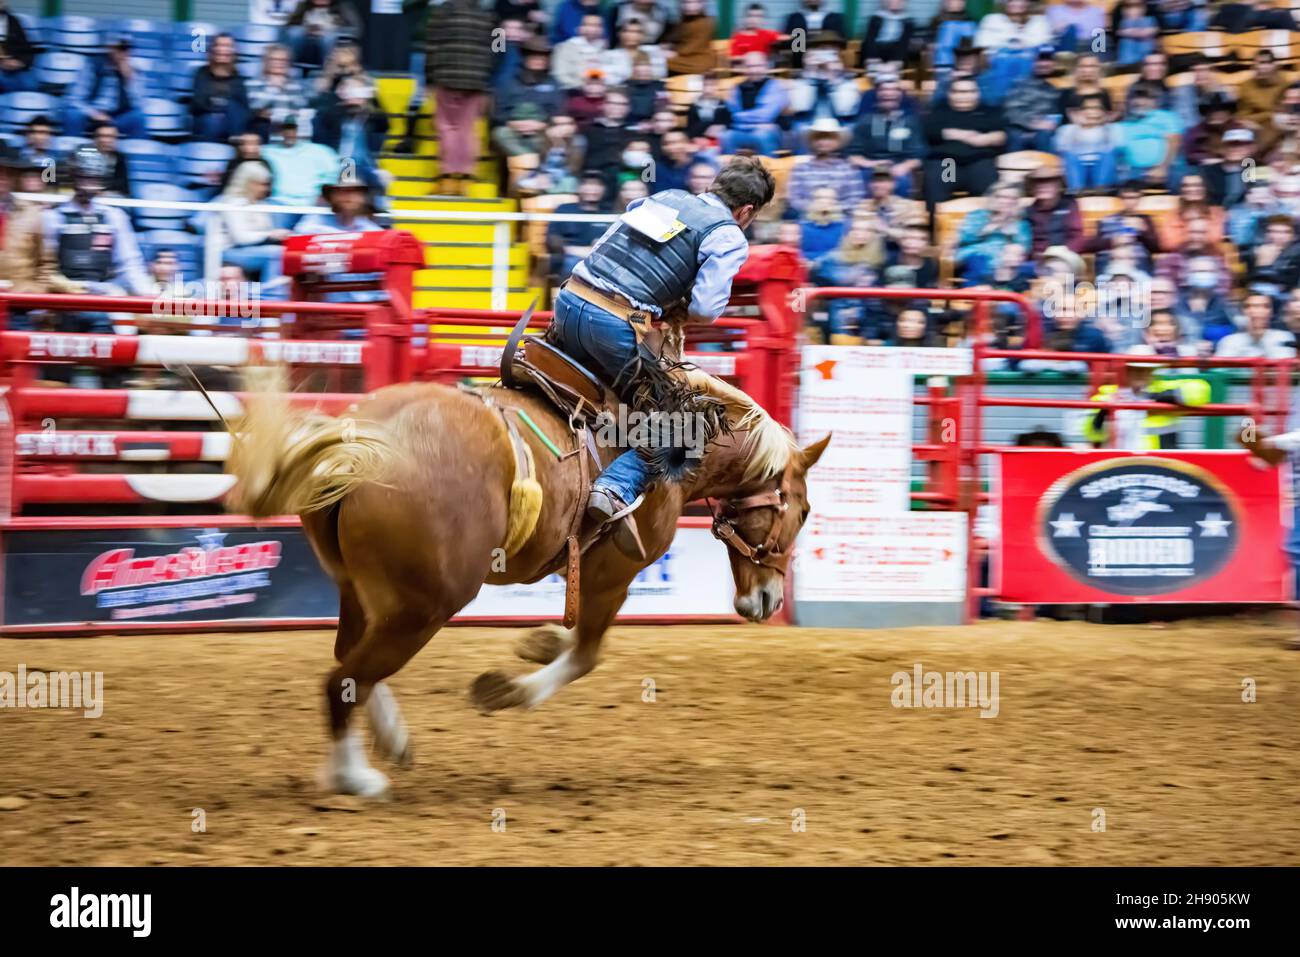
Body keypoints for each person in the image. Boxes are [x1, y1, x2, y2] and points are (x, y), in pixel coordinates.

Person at [551, 157, 776, 556]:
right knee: (691, 426)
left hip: (568, 302)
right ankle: (615, 488)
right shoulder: (727, 235)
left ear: (714, 185)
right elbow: (706, 309)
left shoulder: (664, 197)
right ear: (746, 212)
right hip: (614, 327)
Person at [40, 147, 153, 337]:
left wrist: (148, 295)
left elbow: (130, 263)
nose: (89, 184)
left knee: (124, 331)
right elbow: (45, 267)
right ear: (74, 177)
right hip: (64, 296)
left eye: (93, 178)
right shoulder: (54, 217)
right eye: (84, 177)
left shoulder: (114, 217)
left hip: (104, 294)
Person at [425, 0, 494, 196]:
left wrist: (429, 77)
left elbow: (431, 46)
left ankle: (447, 178)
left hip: (446, 77)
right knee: (467, 129)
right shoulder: (489, 16)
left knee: (447, 128)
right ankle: (465, 179)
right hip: (477, 81)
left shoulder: (441, 12)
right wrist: (488, 73)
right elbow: (499, 47)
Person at [1082, 359, 1210, 450]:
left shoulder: (1163, 388)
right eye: (1135, 369)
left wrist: (1155, 397)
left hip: (1159, 463)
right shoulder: (1108, 394)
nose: (1141, 374)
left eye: (1146, 370)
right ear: (1126, 371)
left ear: (1153, 372)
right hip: (1119, 463)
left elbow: (1199, 391)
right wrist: (1103, 412)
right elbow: (1092, 434)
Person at [923, 75, 1006, 205]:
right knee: (938, 193)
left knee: (988, 193)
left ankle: (988, 224)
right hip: (949, 162)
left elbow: (1002, 135)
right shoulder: (940, 111)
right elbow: (930, 131)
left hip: (978, 160)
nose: (963, 96)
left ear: (977, 93)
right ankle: (938, 224)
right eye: (958, 92)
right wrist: (962, 135)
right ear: (950, 94)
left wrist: (985, 139)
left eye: (969, 92)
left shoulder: (989, 112)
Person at [219, 163, 292, 296]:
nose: (266, 188)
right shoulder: (232, 203)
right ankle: (270, 297)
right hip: (229, 251)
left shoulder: (260, 204)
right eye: (262, 184)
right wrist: (270, 234)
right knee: (276, 253)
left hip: (252, 250)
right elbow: (240, 238)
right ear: (250, 183)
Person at [63, 36, 146, 138]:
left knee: (138, 118)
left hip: (117, 118)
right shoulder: (92, 65)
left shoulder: (134, 70)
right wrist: (94, 113)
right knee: (72, 115)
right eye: (121, 48)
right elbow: (73, 99)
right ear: (110, 48)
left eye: (128, 49)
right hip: (92, 116)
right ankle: (70, 150)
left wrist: (129, 80)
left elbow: (138, 104)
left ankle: (136, 153)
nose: (125, 53)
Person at [786, 118, 864, 218]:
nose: (823, 142)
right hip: (807, 218)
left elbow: (856, 197)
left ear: (837, 142)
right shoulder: (800, 169)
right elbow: (794, 198)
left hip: (841, 218)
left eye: (829, 138)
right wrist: (813, 207)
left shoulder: (848, 168)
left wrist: (835, 208)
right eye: (819, 138)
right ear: (812, 141)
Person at [263, 115, 340, 209]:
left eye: (293, 129)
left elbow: (333, 175)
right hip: (278, 202)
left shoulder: (322, 151)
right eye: (286, 129)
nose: (289, 133)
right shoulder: (266, 152)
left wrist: (324, 195)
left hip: (312, 204)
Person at [546, 172, 611, 282]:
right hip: (568, 258)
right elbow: (552, 238)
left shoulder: (607, 215)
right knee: (573, 263)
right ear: (579, 188)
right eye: (587, 184)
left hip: (598, 260)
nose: (592, 189)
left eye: (597, 185)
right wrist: (569, 249)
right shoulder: (564, 210)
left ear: (604, 190)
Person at [724, 51, 788, 156]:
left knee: (761, 137)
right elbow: (734, 115)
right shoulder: (737, 87)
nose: (754, 70)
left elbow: (766, 116)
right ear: (744, 68)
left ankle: (768, 171)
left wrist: (742, 118)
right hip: (742, 131)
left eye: (758, 65)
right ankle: (730, 171)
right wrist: (757, 123)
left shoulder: (775, 85)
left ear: (766, 66)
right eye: (749, 66)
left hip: (769, 133)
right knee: (726, 137)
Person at [191, 34, 250, 143]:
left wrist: (218, 104)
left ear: (233, 51)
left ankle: (236, 144)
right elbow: (198, 104)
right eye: (219, 45)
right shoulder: (202, 73)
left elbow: (243, 108)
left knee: (234, 107)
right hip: (205, 122)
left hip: (232, 123)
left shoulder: (238, 77)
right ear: (212, 49)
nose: (222, 50)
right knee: (213, 121)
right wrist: (221, 108)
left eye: (227, 46)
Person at [246, 44, 310, 140]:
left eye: (283, 60)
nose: (280, 63)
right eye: (275, 60)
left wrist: (284, 86)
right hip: (264, 128)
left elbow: (301, 106)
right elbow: (255, 108)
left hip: (291, 127)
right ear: (266, 62)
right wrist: (273, 88)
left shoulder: (294, 84)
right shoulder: (254, 82)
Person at [1216, 294, 1296, 358]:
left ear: (1271, 312)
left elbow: (1285, 370)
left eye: (1265, 306)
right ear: (1243, 312)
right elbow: (1221, 372)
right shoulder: (1230, 341)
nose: (1258, 310)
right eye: (1252, 306)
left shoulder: (1284, 338)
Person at [665, 0, 715, 76]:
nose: (689, 6)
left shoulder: (706, 22)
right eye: (685, 2)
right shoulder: (684, 21)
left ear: (702, 4)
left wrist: (675, 53)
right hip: (685, 58)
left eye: (694, 2)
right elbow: (679, 38)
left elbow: (693, 47)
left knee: (663, 61)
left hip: (699, 60)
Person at [0, 0, 35, 94]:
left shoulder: (13, 21)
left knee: (30, 85)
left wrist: (21, 62)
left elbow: (26, 49)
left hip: (13, 68)